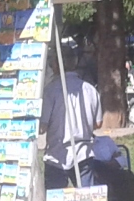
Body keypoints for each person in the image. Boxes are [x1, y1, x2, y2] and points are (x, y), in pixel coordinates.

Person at [40, 50, 102, 189]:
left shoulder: (51, 90)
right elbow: (98, 123)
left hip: (56, 154)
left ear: (56, 64)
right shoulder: (90, 89)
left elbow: (42, 127)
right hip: (83, 152)